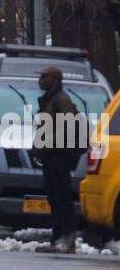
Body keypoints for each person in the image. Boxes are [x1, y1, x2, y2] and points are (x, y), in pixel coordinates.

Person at [34, 66, 81, 254]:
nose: (40, 80)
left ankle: (67, 238)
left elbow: (68, 128)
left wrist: (52, 148)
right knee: (54, 197)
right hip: (51, 156)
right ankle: (57, 238)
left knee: (62, 197)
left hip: (59, 157)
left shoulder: (61, 100)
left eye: (44, 76)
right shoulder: (51, 99)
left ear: (54, 79)